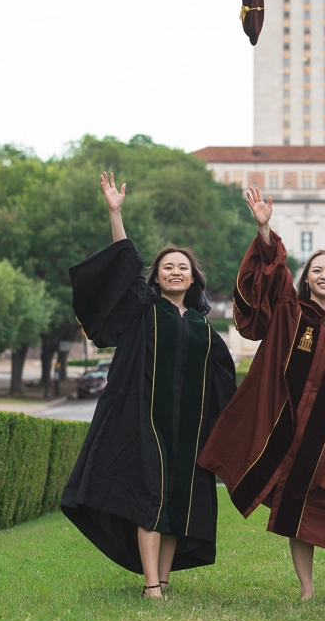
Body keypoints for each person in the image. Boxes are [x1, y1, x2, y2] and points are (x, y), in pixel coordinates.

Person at [199, 187, 325, 603]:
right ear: (306, 278)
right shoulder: (291, 314)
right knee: (297, 506)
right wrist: (264, 228)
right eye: (317, 270)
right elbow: (271, 276)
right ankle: (308, 589)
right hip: (291, 431)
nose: (324, 276)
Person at [61, 172, 236, 598]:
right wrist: (115, 214)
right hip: (145, 424)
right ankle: (150, 584)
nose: (175, 272)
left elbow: (225, 390)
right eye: (167, 267)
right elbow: (123, 267)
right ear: (156, 278)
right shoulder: (142, 311)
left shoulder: (206, 332)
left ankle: (165, 576)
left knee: (180, 503)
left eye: (183, 268)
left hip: (190, 432)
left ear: (193, 278)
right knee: (149, 499)